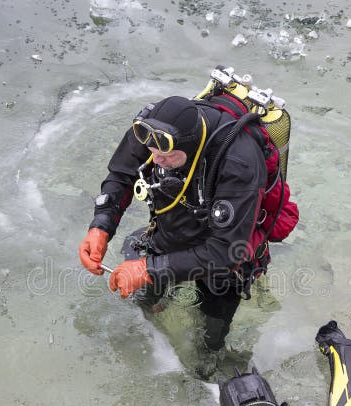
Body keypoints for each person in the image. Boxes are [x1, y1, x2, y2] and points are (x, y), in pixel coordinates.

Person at [78, 94, 269, 378]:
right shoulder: (153, 130)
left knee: (212, 330)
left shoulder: (238, 162)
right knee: (144, 296)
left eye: (165, 156)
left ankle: (207, 363)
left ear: (189, 147)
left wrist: (146, 268)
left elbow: (224, 253)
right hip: (173, 226)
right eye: (152, 151)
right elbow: (121, 174)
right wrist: (101, 226)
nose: (155, 158)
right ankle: (154, 306)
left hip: (225, 255)